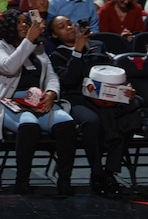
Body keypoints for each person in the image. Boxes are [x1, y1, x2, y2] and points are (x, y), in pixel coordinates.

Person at [0, 9, 77, 194]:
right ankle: (22, 180)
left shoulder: (38, 47)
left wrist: (51, 93)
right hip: (9, 100)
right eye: (19, 22)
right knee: (29, 125)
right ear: (9, 26)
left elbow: (51, 75)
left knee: (66, 124)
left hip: (38, 100)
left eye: (25, 22)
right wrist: (28, 41)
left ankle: (64, 181)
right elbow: (9, 67)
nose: (24, 25)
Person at [49, 15, 141, 197]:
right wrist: (77, 50)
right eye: (62, 26)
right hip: (78, 99)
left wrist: (126, 88)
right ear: (54, 35)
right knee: (92, 122)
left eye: (69, 23)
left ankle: (109, 172)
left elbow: (113, 73)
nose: (68, 27)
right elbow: (68, 81)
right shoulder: (57, 56)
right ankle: (97, 173)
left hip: (107, 96)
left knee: (129, 117)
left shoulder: (97, 46)